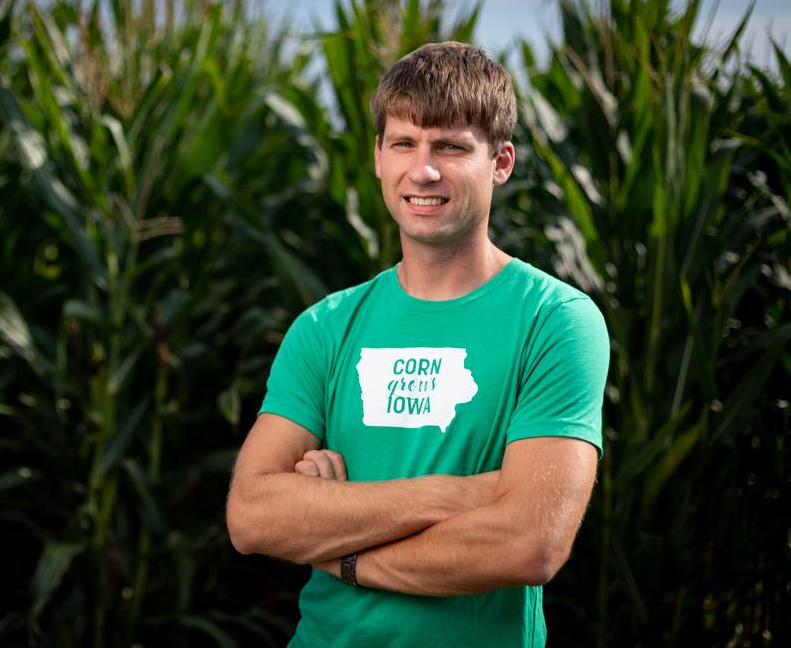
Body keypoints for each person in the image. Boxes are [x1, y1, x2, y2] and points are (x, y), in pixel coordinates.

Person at [226, 41, 610, 647]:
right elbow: (251, 516)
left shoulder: (554, 320)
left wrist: (342, 552)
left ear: (501, 162)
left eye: (451, 147)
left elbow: (528, 543)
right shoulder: (326, 326)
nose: (423, 170)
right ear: (378, 157)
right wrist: (462, 494)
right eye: (404, 143)